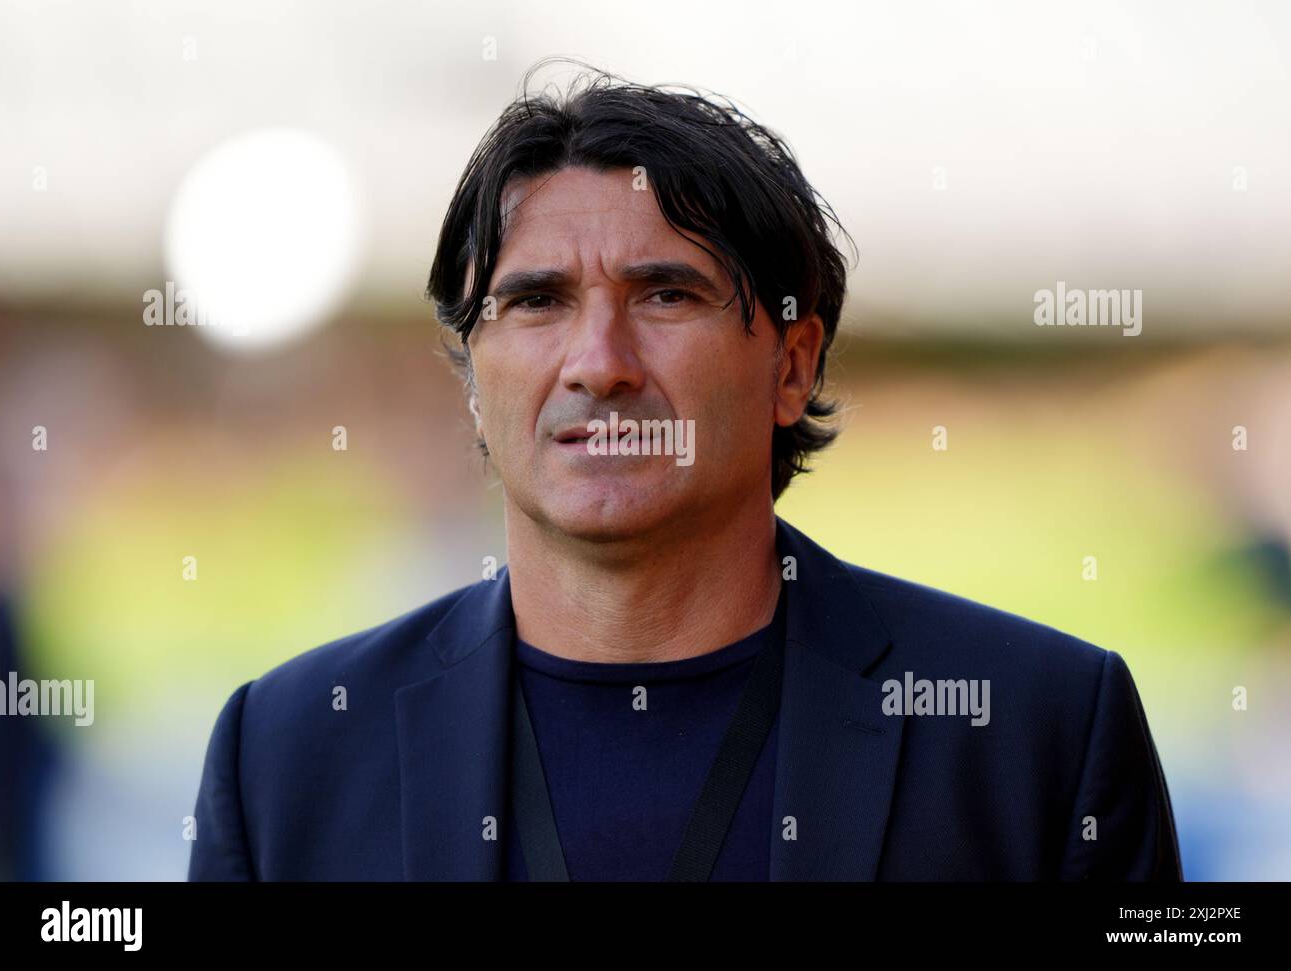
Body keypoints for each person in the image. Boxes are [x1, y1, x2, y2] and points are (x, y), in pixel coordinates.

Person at [188, 62, 1182, 881]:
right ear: (470, 379)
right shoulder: (286, 752)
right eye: (535, 301)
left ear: (790, 366)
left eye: (665, 294)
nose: (598, 361)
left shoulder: (1034, 727)